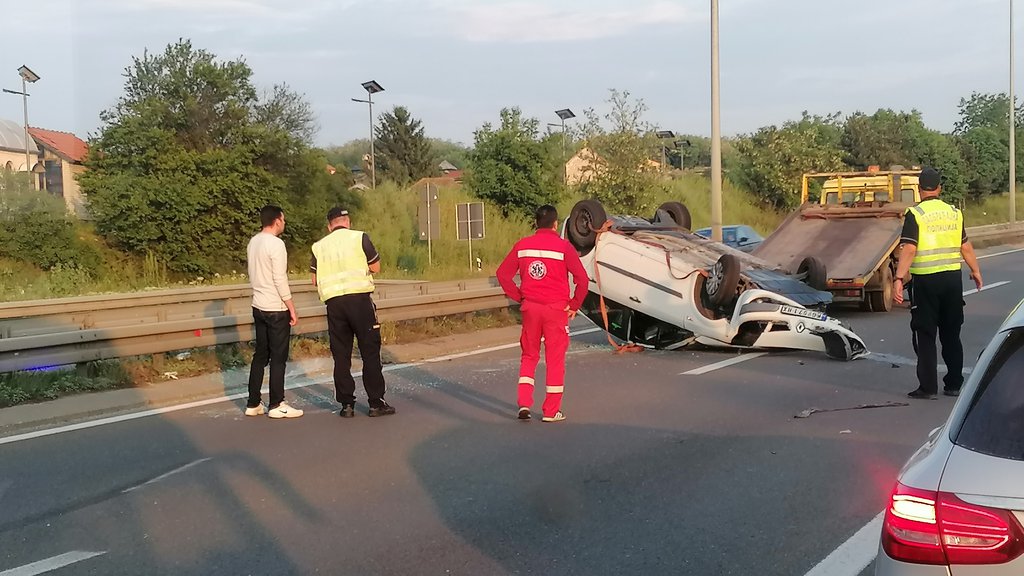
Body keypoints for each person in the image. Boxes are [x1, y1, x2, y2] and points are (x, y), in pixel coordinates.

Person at [893, 167, 983, 399]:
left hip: (925, 281)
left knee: (925, 333)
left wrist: (898, 278)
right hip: (952, 280)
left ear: (919, 189)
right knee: (951, 333)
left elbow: (910, 248)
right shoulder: (954, 212)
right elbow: (965, 246)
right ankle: (953, 384)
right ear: (939, 188)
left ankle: (928, 388)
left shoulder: (915, 213)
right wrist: (975, 270)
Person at [496, 205, 588, 422]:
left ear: (536, 223)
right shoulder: (564, 247)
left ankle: (524, 404)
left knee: (529, 355)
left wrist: (520, 297)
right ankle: (550, 411)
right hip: (556, 309)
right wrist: (574, 305)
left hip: (531, 308)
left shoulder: (523, 246)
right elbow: (582, 280)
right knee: (555, 359)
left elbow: (503, 274)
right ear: (556, 224)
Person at [311, 207, 395, 418]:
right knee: (370, 352)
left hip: (334, 305)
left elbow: (314, 280)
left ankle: (346, 404)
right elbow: (376, 267)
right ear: (347, 222)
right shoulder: (360, 238)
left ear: (329, 225)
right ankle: (376, 402)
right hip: (360, 302)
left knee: (341, 355)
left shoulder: (318, 247)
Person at [245, 205, 303, 419]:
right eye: (283, 220)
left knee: (260, 355)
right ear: (277, 220)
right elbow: (280, 278)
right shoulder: (276, 244)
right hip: (275, 308)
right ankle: (277, 403)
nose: (284, 223)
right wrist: (291, 307)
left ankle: (253, 403)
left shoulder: (254, 242)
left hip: (258, 305)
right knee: (278, 358)